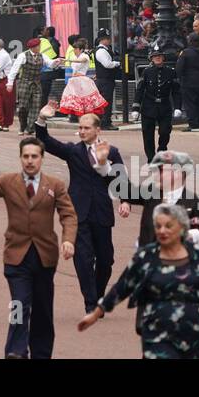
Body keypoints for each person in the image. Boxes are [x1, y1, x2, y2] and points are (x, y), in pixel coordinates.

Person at [79, 203, 199, 358]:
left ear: (182, 228)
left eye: (168, 226)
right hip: (156, 335)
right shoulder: (146, 256)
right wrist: (96, 313)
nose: (162, 231)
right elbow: (123, 286)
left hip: (193, 336)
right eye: (158, 226)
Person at [0, 136, 77, 359]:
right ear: (20, 158)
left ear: (42, 158)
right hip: (16, 257)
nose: (29, 161)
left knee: (43, 311)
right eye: (25, 156)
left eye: (34, 156)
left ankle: (42, 352)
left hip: (44, 257)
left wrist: (68, 239)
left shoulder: (55, 185)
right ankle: (16, 350)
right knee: (19, 304)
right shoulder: (8, 181)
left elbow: (68, 214)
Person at [33, 104, 130, 312]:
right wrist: (42, 119)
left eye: (87, 128)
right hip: (78, 212)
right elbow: (46, 142)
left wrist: (125, 200)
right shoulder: (73, 151)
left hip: (102, 212)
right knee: (83, 259)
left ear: (98, 130)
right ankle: (90, 303)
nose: (83, 131)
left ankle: (98, 294)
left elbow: (121, 179)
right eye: (81, 128)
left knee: (106, 260)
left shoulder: (112, 152)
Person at [127, 150, 199, 249]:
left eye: (161, 170)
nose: (155, 175)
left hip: (179, 262)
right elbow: (123, 190)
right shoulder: (150, 193)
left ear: (177, 173)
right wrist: (111, 163)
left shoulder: (196, 202)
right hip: (148, 261)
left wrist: (190, 235)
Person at [135, 44, 178, 161]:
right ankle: (151, 158)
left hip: (164, 106)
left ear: (163, 58)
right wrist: (135, 107)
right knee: (147, 134)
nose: (157, 58)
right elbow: (140, 89)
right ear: (151, 59)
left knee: (165, 131)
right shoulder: (146, 72)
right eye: (155, 56)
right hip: (149, 106)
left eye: (159, 56)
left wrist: (178, 107)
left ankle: (162, 149)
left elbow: (176, 91)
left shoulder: (171, 72)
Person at [175, 35, 199, 129]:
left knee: (190, 103)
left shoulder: (185, 53)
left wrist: (179, 79)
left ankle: (193, 123)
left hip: (189, 82)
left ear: (190, 41)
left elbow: (179, 68)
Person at [10, 38, 45, 133]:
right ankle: (22, 126)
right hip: (24, 83)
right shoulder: (23, 55)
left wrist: (56, 62)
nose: (39, 47)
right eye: (38, 46)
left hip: (36, 83)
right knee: (23, 106)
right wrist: (10, 83)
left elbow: (50, 63)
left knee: (36, 106)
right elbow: (14, 69)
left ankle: (30, 128)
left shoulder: (42, 56)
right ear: (33, 47)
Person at [92, 29, 121, 130]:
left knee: (105, 102)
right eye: (106, 39)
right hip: (105, 81)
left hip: (105, 80)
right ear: (101, 40)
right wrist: (118, 63)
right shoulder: (101, 51)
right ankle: (105, 123)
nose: (109, 40)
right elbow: (107, 64)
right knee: (106, 102)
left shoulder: (105, 49)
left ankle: (103, 121)